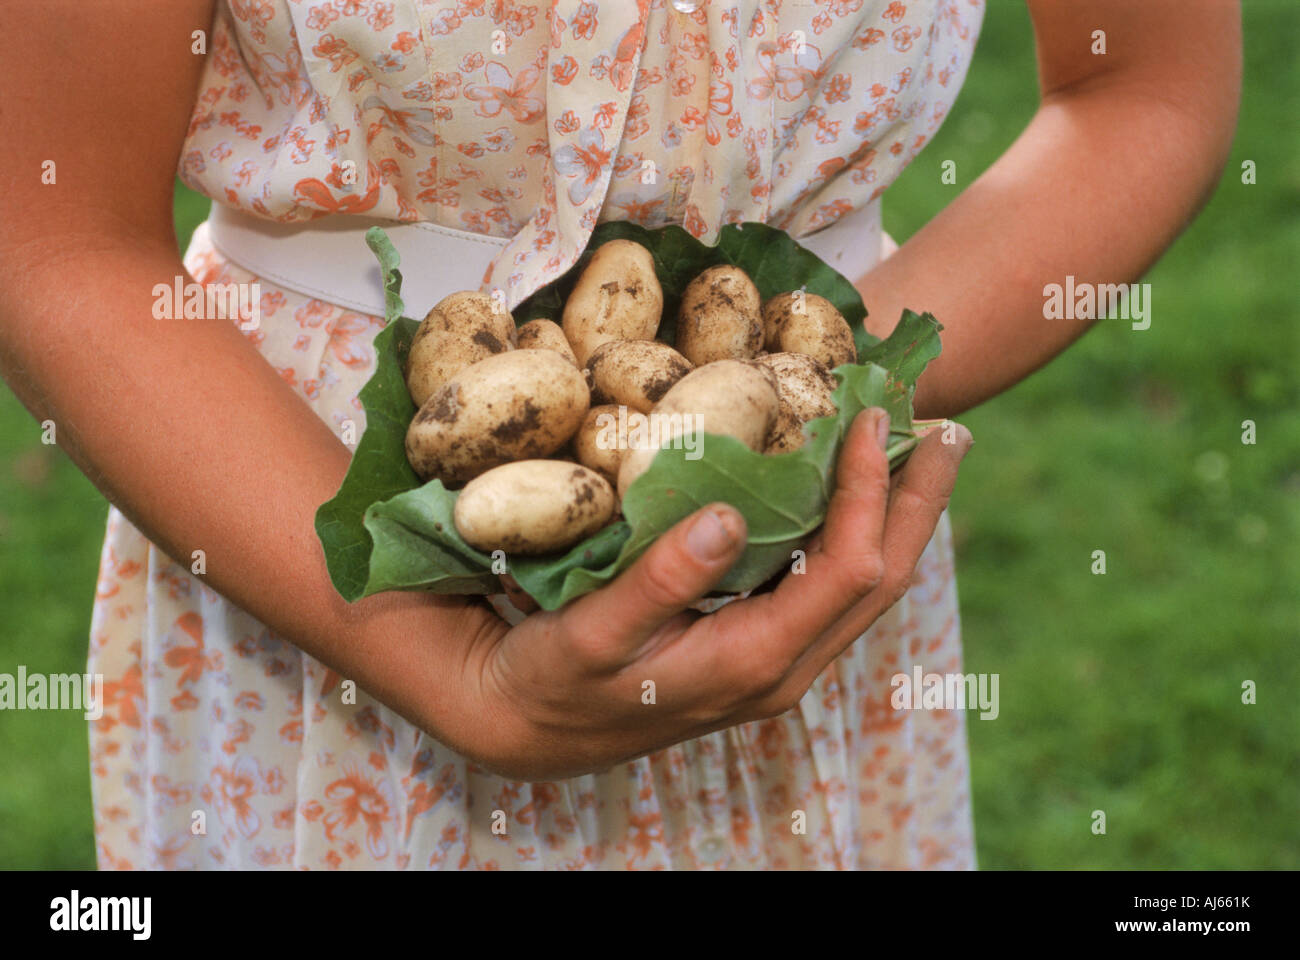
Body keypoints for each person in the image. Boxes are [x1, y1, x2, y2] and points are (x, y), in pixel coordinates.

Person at [0, 0, 1238, 870]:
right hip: (309, 558)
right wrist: (441, 664)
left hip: (797, 559)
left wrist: (806, 424)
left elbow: (1141, 87)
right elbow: (54, 232)